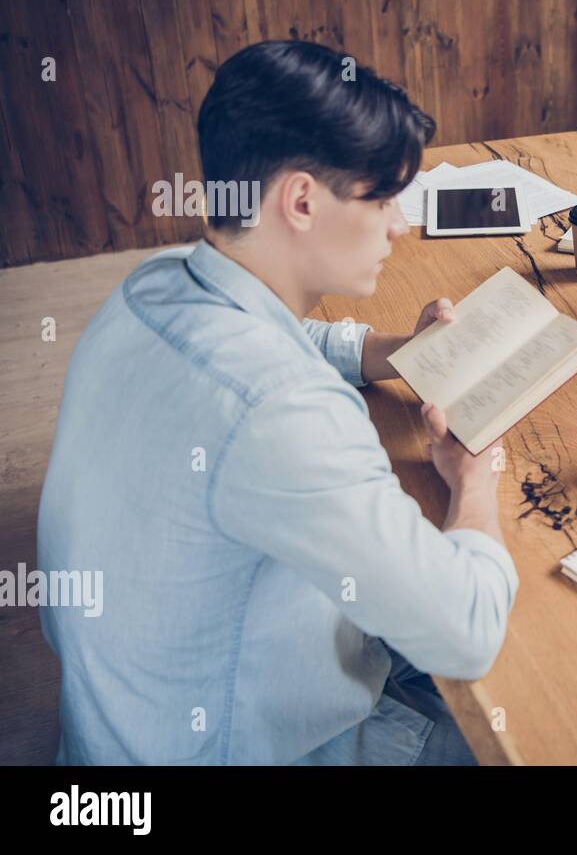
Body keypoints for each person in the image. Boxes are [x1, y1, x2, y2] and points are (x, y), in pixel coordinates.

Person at [37, 40, 515, 765]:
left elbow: (276, 336)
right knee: (539, 724)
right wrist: (475, 487)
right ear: (300, 200)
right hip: (226, 748)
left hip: (119, 730)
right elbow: (469, 632)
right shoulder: (285, 412)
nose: (398, 226)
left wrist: (391, 350)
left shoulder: (154, 281)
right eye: (381, 199)